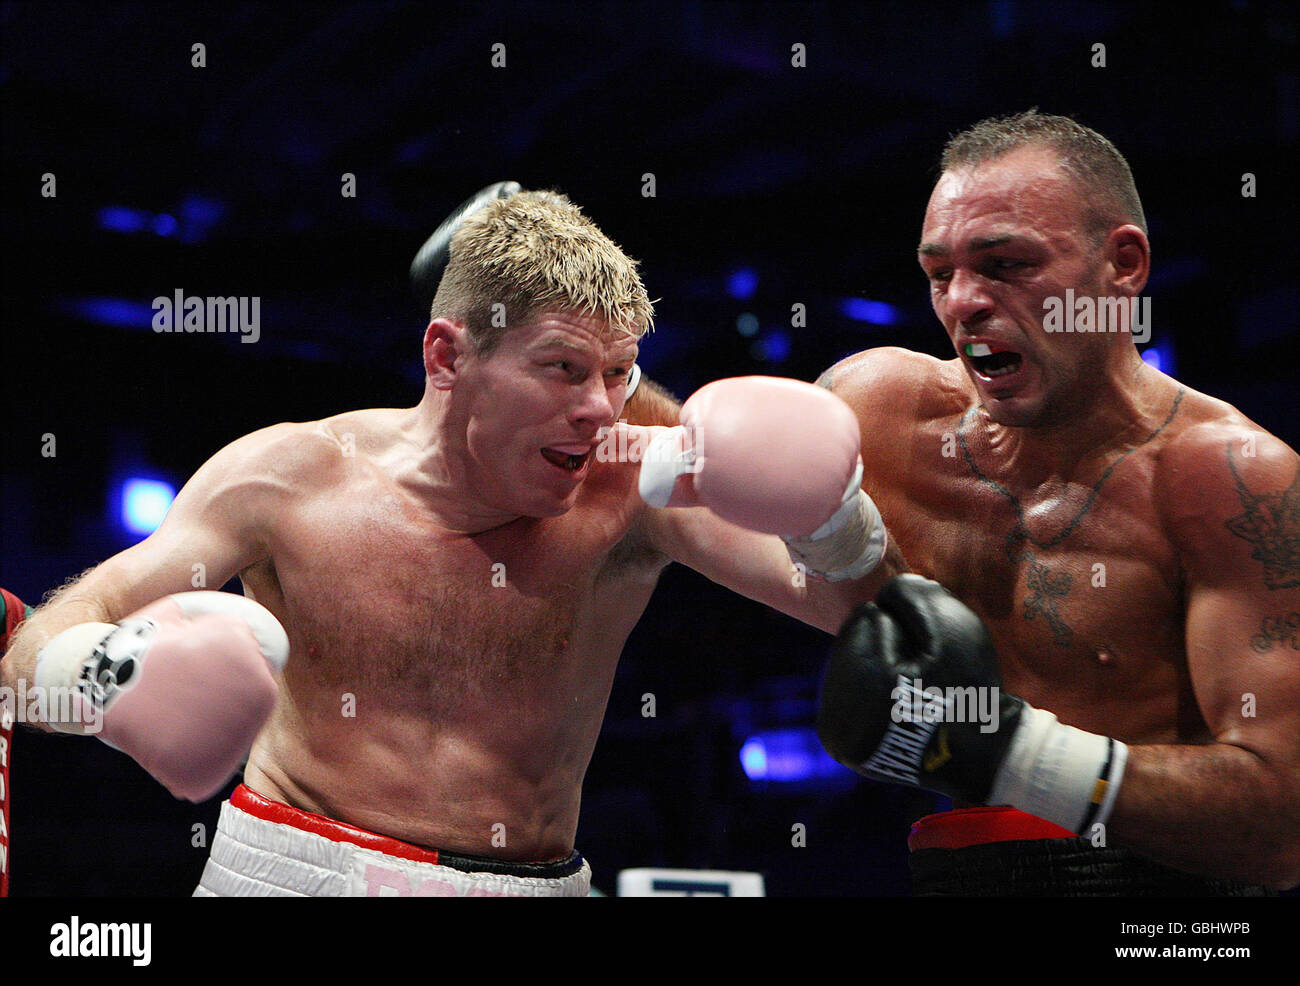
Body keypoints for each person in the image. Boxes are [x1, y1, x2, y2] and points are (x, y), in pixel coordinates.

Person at [0, 189, 897, 897]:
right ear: (446, 356)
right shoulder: (289, 478)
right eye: (562, 367)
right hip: (293, 874)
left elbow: (870, 621)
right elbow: (30, 648)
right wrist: (100, 680)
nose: (598, 406)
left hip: (539, 885)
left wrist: (838, 518)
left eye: (620, 373)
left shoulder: (636, 487)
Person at [815, 110, 1300, 895]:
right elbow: (685, 496)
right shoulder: (885, 417)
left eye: (1005, 264)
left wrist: (1011, 755)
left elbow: (1282, 828)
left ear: (1124, 265)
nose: (964, 301)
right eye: (940, 274)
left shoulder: (1233, 481)